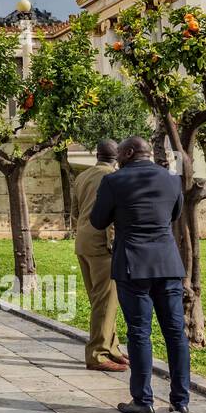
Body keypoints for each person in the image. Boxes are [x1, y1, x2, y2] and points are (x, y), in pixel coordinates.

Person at [90, 136, 191, 413]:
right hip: (168, 264)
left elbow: (98, 221)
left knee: (139, 332)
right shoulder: (172, 180)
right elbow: (174, 214)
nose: (117, 158)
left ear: (130, 153)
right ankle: (181, 402)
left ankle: (142, 400)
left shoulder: (113, 181)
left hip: (133, 265)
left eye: (120, 153)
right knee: (175, 333)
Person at [71, 139, 129, 372]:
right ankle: (97, 354)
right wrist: (114, 245)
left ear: (97, 154)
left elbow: (75, 213)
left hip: (83, 242)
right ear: (118, 156)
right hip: (102, 245)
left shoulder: (82, 177)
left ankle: (112, 347)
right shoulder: (113, 178)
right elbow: (113, 216)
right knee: (105, 300)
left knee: (101, 299)